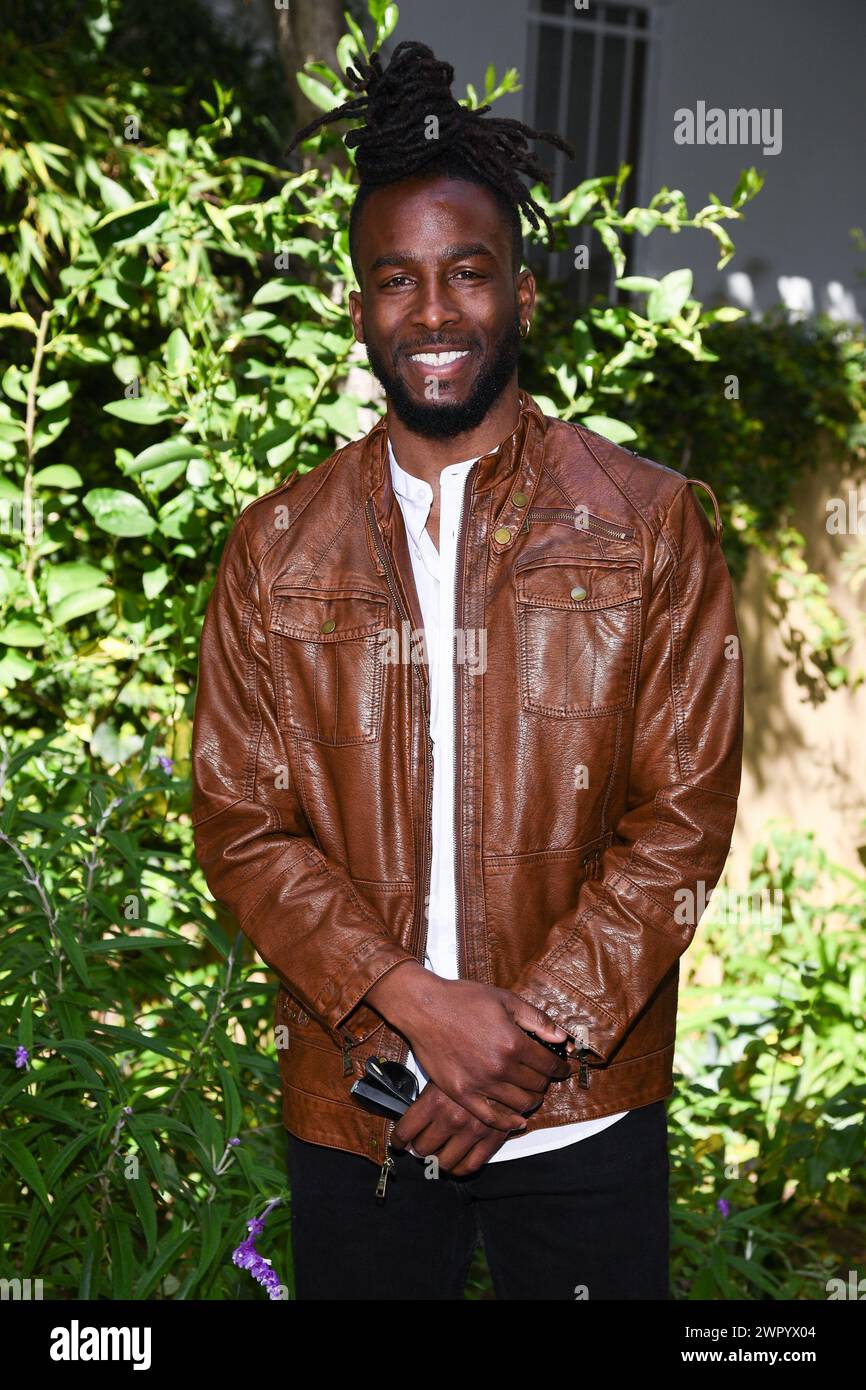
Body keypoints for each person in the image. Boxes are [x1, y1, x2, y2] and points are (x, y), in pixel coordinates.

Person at [191, 40, 744, 1300]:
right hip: (362, 1107)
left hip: (583, 1111)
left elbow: (680, 819)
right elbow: (238, 819)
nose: (431, 313)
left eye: (466, 273)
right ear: (357, 308)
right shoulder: (274, 546)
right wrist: (417, 1008)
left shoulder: (649, 523)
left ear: (524, 295)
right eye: (395, 280)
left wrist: (523, 1042)